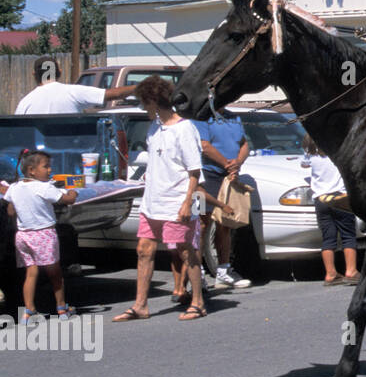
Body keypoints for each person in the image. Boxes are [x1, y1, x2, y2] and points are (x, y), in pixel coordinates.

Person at [113, 76, 207, 322]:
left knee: (186, 251)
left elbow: (194, 171)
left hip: (177, 202)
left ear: (154, 101)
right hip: (152, 202)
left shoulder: (185, 129)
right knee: (144, 250)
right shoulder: (154, 128)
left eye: (145, 103)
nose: (143, 108)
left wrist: (188, 203)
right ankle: (140, 305)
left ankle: (198, 302)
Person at [6, 150, 77, 325]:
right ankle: (61, 307)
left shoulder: (14, 187)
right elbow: (67, 200)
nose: (49, 170)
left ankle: (29, 311)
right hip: (44, 234)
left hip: (23, 236)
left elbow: (10, 210)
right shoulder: (45, 187)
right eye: (46, 166)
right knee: (55, 273)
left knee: (31, 273)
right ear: (31, 170)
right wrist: (74, 192)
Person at [193, 107, 251, 290]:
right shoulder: (201, 117)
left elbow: (244, 144)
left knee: (224, 223)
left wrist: (237, 164)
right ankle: (197, 274)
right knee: (200, 225)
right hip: (204, 177)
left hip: (227, 178)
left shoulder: (234, 117)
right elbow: (204, 146)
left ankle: (223, 272)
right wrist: (227, 164)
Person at [301, 134, 359, 287]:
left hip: (320, 199)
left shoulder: (310, 153)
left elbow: (303, 165)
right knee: (348, 235)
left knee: (328, 238)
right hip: (340, 197)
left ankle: (330, 273)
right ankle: (351, 271)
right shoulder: (338, 152)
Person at [15, 59, 137, 114]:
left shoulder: (25, 102)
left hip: (38, 161)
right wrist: (137, 87)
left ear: (34, 75)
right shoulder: (73, 92)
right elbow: (113, 94)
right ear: (60, 72)